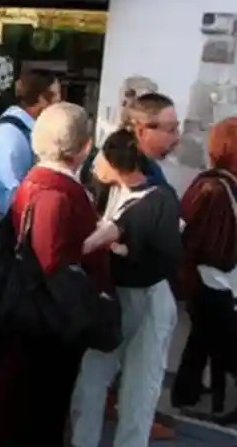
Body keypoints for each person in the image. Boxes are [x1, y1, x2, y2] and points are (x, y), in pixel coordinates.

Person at [0, 102, 108, 447]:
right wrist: (99, 242)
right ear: (83, 147)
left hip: (30, 310)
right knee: (37, 407)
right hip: (48, 318)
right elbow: (52, 259)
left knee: (15, 400)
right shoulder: (57, 191)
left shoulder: (35, 182)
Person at [70, 129, 182, 447]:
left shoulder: (156, 199)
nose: (94, 165)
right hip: (112, 296)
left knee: (138, 388)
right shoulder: (108, 192)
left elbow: (107, 239)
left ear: (114, 161)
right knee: (91, 380)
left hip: (145, 298)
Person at [173, 117, 237, 418]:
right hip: (211, 278)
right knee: (223, 343)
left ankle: (187, 394)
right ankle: (207, 399)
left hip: (215, 278)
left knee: (202, 339)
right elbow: (188, 236)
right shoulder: (212, 188)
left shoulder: (219, 185)